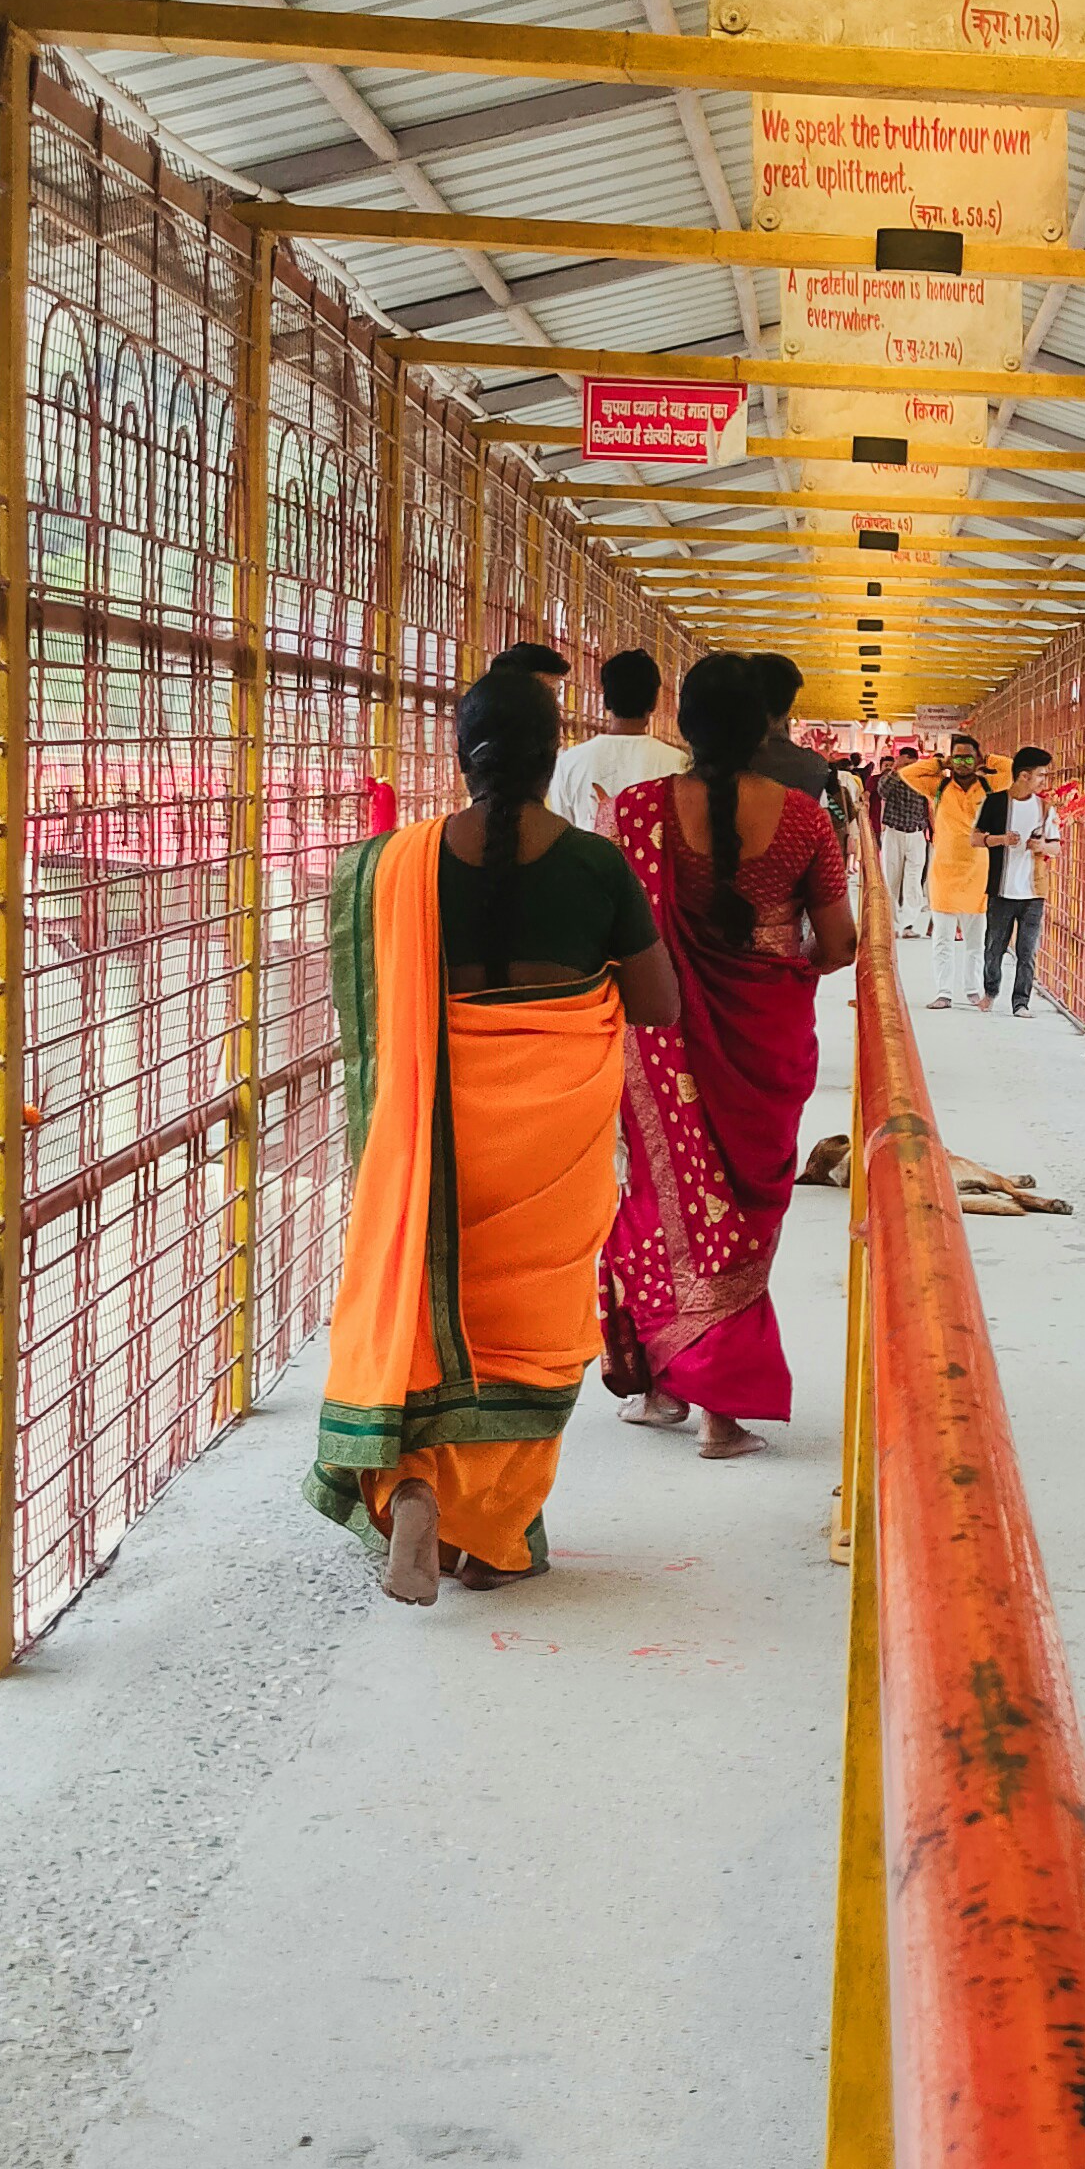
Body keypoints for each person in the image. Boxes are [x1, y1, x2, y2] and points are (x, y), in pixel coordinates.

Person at [309, 664, 678, 1603]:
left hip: (431, 1145)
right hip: (551, 1152)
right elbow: (657, 1003)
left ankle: (414, 1485)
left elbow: (368, 1000)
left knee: (430, 1315)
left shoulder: (393, 866)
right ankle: (491, 1537)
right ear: (554, 753)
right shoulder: (597, 865)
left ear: (458, 753)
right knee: (535, 1342)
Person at [602, 652, 857, 1457]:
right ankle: (721, 1409)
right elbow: (841, 944)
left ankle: (658, 1388)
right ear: (765, 727)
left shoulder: (636, 812)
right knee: (743, 1216)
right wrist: (778, 960)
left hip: (658, 1042)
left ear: (683, 723)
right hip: (767, 1040)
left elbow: (616, 936)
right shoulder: (804, 817)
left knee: (659, 1198)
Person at [550, 647, 688, 833]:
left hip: (588, 863)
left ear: (606, 700)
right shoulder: (678, 765)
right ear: (654, 701)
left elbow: (561, 834)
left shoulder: (569, 763)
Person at [976, 745, 1062, 1015]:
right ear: (1024, 776)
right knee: (994, 947)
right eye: (1040, 776)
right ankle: (990, 991)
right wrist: (1001, 840)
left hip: (1033, 893)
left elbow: (1056, 847)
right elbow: (976, 838)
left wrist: (1041, 847)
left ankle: (1020, 1002)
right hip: (1001, 890)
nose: (1043, 781)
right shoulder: (995, 802)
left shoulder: (1045, 808)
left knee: (1028, 951)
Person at [745, 654, 856, 835]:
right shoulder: (812, 768)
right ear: (789, 703)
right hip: (789, 858)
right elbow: (839, 820)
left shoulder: (721, 763)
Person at [923, 737, 992, 1007]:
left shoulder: (988, 787)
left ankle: (973, 989)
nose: (963, 763)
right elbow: (910, 773)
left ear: (977, 759)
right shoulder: (939, 786)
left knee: (976, 941)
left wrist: (988, 762)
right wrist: (941, 763)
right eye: (957, 758)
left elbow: (1011, 770)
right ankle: (944, 992)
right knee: (943, 938)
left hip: (977, 872)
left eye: (968, 757)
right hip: (944, 874)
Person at [876, 745, 935, 938]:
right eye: (906, 763)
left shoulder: (921, 779)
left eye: (912, 764)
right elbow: (882, 791)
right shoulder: (891, 776)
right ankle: (892, 925)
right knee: (891, 879)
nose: (909, 767)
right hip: (894, 833)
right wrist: (896, 770)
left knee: (913, 881)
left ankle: (908, 924)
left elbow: (931, 800)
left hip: (917, 835)